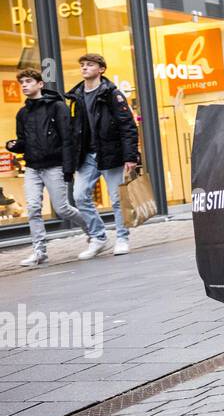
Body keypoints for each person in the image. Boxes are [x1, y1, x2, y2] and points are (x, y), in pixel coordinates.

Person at [7, 69, 94, 267]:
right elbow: (23, 141)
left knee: (62, 209)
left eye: (28, 81)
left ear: (40, 84)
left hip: (54, 166)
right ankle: (39, 251)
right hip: (32, 168)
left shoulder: (57, 107)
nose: (24, 85)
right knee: (33, 209)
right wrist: (13, 146)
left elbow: (67, 139)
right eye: (22, 83)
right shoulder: (22, 113)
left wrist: (68, 168)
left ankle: (94, 232)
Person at [66, 53, 140, 258]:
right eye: (82, 65)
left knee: (117, 199)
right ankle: (99, 237)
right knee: (79, 196)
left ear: (101, 69)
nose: (84, 68)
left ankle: (122, 238)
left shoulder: (112, 94)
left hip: (111, 153)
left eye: (89, 65)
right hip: (87, 156)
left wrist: (130, 156)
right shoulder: (76, 96)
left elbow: (128, 126)